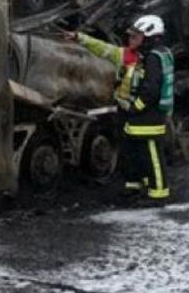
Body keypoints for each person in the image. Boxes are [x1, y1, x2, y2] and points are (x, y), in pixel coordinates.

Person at [64, 15, 175, 200]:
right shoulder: (132, 56)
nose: (131, 39)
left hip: (147, 115)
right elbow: (103, 49)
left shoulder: (154, 58)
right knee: (133, 153)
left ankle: (158, 194)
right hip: (130, 114)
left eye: (136, 36)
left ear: (149, 36)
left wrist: (136, 107)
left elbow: (151, 90)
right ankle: (135, 187)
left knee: (151, 154)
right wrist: (80, 38)